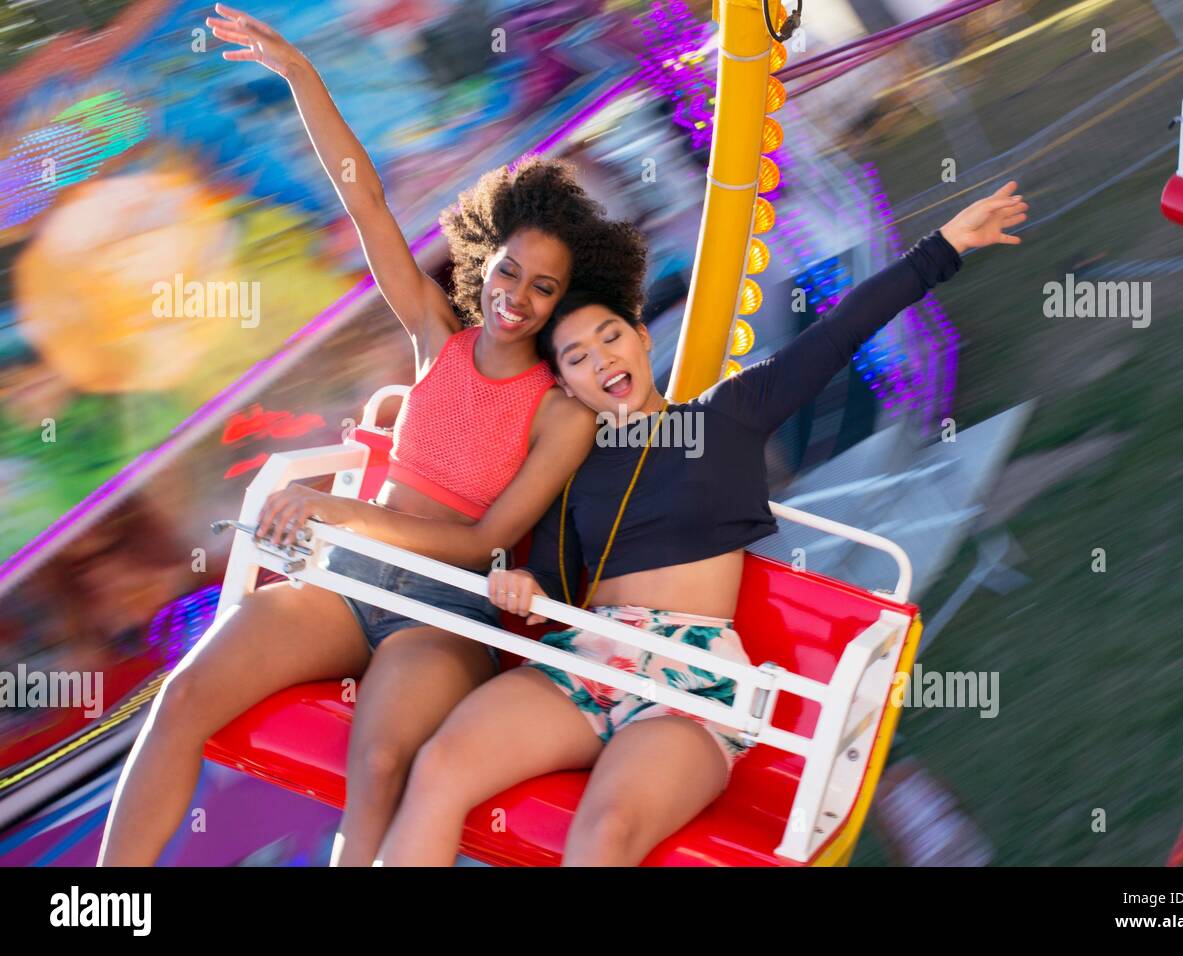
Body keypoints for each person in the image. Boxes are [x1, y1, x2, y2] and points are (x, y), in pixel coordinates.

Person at [97, 4, 646, 866]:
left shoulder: (561, 409)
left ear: (564, 302)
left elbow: (483, 540)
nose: (518, 296)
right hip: (351, 580)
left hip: (446, 610)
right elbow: (361, 191)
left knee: (381, 760)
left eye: (544, 288)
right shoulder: (436, 332)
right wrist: (299, 73)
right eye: (510, 270)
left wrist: (341, 514)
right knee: (185, 695)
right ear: (485, 259)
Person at [372, 182, 1029, 866]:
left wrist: (944, 247)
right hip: (589, 656)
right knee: (441, 765)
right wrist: (526, 587)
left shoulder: (725, 417)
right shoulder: (567, 465)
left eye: (610, 337)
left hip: (691, 678)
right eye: (576, 357)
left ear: (640, 338)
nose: (602, 360)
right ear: (565, 386)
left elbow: (838, 334)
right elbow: (548, 575)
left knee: (607, 833)